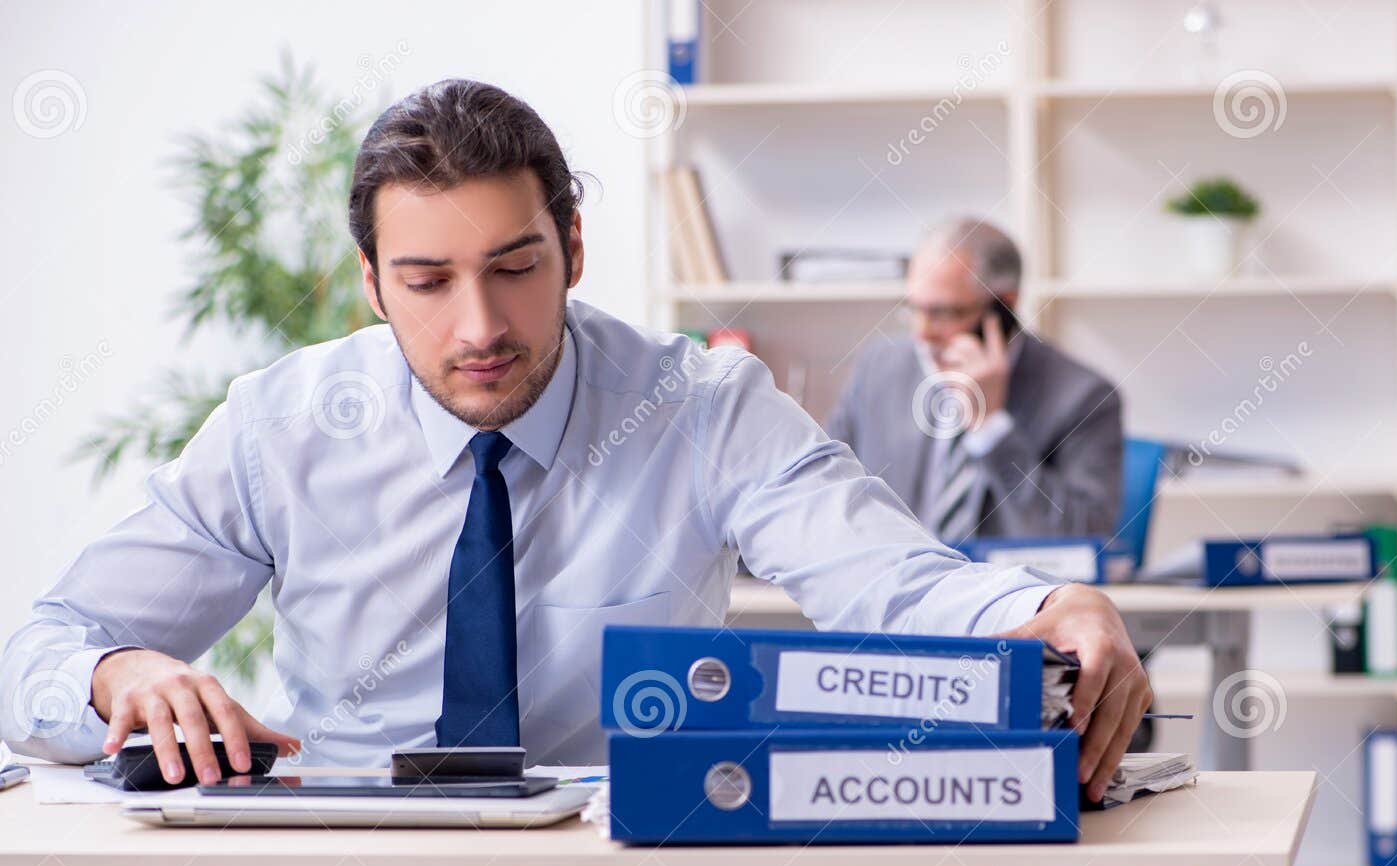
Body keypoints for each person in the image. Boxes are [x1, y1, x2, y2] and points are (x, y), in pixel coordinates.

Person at [0, 79, 1150, 802]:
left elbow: (887, 584)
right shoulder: (280, 426)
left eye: (515, 268)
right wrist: (119, 671)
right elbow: (40, 652)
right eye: (427, 281)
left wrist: (1039, 613)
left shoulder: (703, 405)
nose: (481, 327)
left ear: (575, 250)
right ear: (369, 284)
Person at [827, 219, 1123, 543]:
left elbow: (1082, 539)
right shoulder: (880, 368)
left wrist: (991, 427)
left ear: (1003, 307)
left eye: (943, 313)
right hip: (890, 585)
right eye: (914, 309)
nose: (921, 333)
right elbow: (822, 485)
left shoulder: (1083, 397)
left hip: (1009, 591)